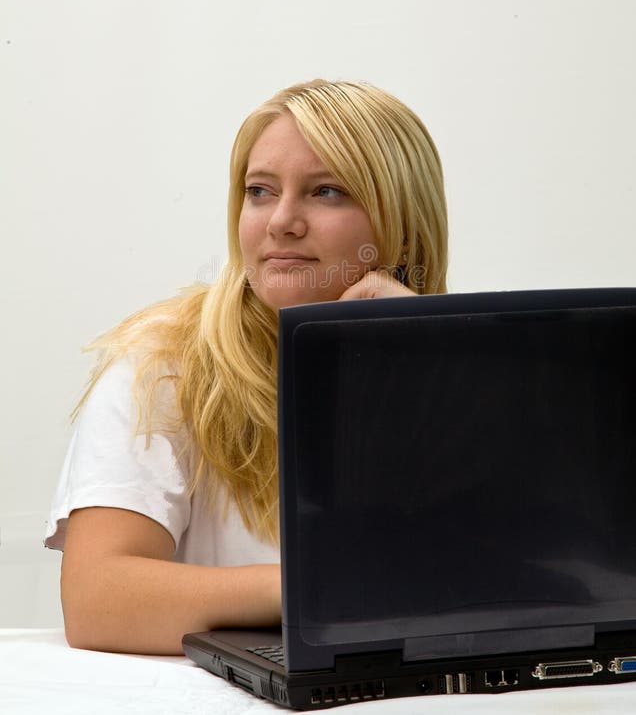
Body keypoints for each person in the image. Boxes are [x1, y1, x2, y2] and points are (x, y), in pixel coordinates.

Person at [45, 78, 448, 654]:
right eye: (259, 191)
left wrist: (433, 362)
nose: (281, 221)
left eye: (328, 191)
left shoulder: (458, 368)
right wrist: (320, 589)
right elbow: (98, 601)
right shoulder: (163, 365)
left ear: (404, 229)